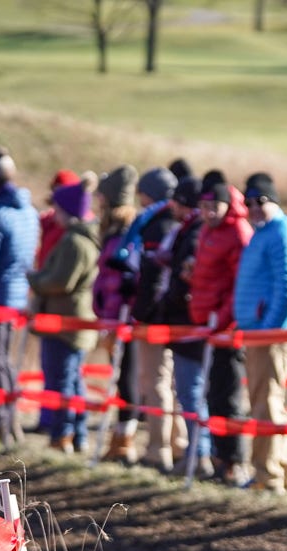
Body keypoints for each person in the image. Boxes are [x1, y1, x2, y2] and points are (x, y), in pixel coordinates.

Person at [234, 172, 287, 493]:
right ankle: (279, 472)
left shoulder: (282, 234)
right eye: (248, 202)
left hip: (272, 336)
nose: (252, 208)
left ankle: (268, 476)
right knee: (266, 403)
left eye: (259, 201)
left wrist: (269, 330)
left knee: (267, 404)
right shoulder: (263, 233)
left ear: (273, 201)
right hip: (258, 333)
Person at [27, 175, 100, 454]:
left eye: (57, 209)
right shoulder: (78, 238)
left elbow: (61, 281)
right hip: (70, 322)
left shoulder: (74, 242)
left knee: (61, 384)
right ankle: (76, 435)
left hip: (65, 324)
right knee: (71, 382)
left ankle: (63, 435)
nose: (54, 214)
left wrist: (34, 279)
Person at [190, 170, 253, 485]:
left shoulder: (237, 233)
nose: (209, 213)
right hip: (208, 324)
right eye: (204, 207)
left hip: (227, 327)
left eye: (214, 206)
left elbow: (238, 283)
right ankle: (218, 457)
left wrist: (224, 317)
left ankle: (234, 461)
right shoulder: (207, 232)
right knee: (213, 396)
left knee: (228, 398)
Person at [0, 147, 38, 449]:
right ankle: (6, 419)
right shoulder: (29, 212)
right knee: (4, 360)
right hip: (16, 297)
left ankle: (4, 421)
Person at [157, 174, 214, 479]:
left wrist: (169, 302)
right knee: (191, 393)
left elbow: (186, 279)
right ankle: (199, 452)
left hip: (190, 325)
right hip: (186, 322)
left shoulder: (193, 234)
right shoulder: (192, 231)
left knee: (192, 394)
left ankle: (200, 454)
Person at [127, 166, 181, 473]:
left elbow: (152, 276)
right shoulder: (168, 223)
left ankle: (158, 448)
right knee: (168, 382)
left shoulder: (156, 226)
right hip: (165, 315)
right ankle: (176, 443)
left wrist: (141, 312)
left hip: (155, 317)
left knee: (155, 381)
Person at [92, 165, 141, 463]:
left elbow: (121, 278)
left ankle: (125, 440)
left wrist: (114, 315)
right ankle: (120, 437)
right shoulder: (112, 231)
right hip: (111, 317)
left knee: (127, 381)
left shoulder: (125, 232)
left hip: (123, 319)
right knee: (121, 378)